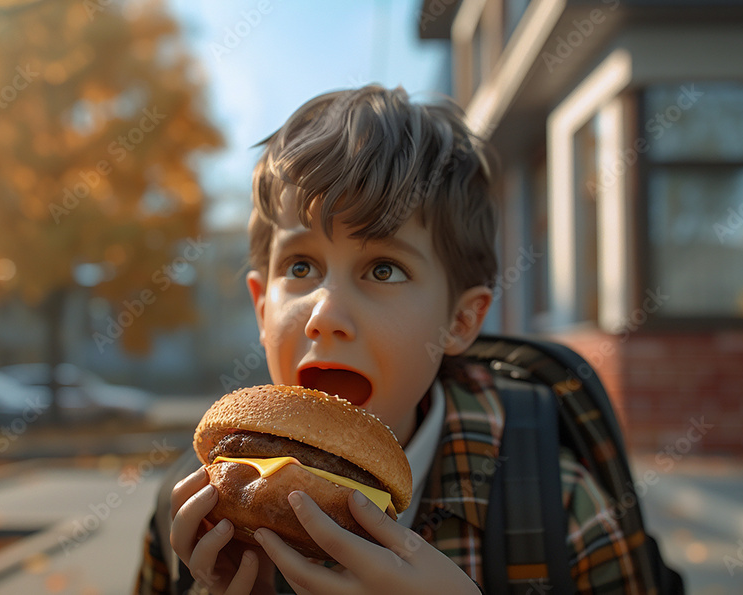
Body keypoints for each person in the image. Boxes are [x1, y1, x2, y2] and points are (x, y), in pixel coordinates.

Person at [135, 85, 640, 594]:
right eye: (301, 266)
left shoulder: (560, 505)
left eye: (383, 269)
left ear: (460, 322)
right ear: (263, 307)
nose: (325, 314)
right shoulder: (187, 514)